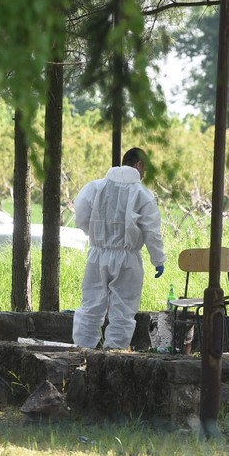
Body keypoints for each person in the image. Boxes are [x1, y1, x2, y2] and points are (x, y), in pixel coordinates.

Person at [72, 147, 167, 350]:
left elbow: (80, 214)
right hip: (128, 259)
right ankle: (114, 353)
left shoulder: (96, 187)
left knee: (91, 304)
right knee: (123, 309)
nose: (144, 175)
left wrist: (95, 234)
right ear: (139, 164)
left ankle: (82, 350)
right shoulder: (142, 194)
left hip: (97, 254)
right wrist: (158, 259)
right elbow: (152, 231)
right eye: (145, 169)